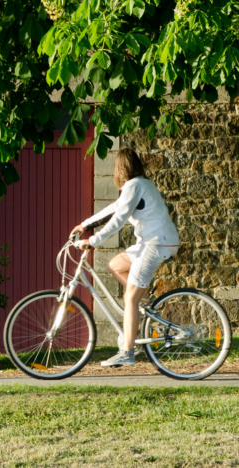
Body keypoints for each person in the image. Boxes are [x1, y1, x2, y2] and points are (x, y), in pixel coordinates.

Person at [72, 148, 179, 367]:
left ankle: (128, 352)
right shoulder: (139, 185)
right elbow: (114, 208)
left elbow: (118, 219)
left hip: (156, 244)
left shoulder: (135, 186)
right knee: (116, 265)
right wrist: (85, 225)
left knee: (130, 298)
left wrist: (93, 241)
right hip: (150, 242)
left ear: (120, 169)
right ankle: (142, 305)